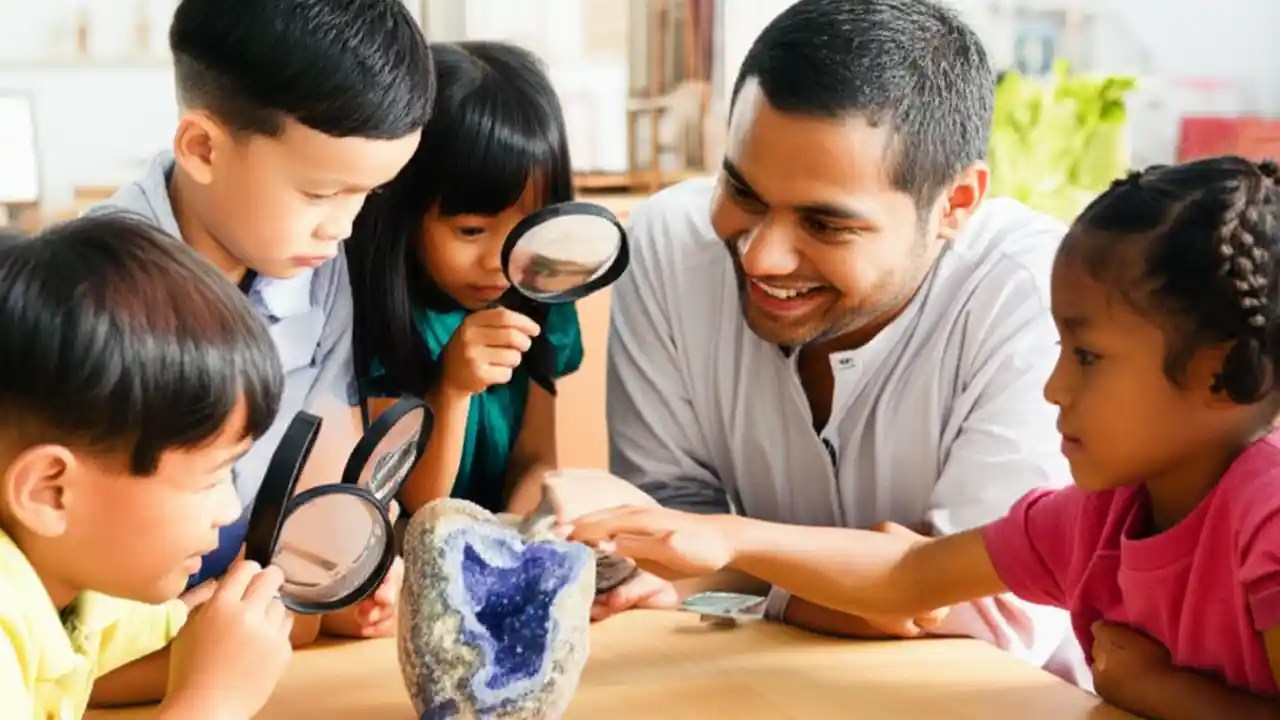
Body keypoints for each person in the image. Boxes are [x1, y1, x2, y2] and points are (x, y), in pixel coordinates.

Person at [575, 157, 1280, 717]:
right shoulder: (1092, 519)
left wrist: (1159, 691)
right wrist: (726, 538)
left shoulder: (1267, 518)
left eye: (1087, 358)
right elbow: (909, 576)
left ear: (1220, 373)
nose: (1054, 388)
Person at [601, 0, 1082, 680]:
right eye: (743, 191)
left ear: (955, 204)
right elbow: (656, 543)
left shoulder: (1039, 294)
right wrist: (871, 587)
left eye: (826, 225)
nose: (762, 256)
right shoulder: (667, 246)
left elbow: (990, 618)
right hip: (752, 686)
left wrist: (734, 563)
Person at [85, 0, 433, 703]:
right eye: (320, 192)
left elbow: (327, 486)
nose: (342, 227)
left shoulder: (311, 262)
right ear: (203, 148)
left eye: (366, 195)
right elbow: (56, 653)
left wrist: (339, 580)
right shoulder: (91, 299)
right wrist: (220, 656)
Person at [0, 215, 292, 719]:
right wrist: (212, 702)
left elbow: (171, 636)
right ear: (51, 492)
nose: (229, 509)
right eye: (210, 478)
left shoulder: (77, 588)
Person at [348, 41, 582, 517]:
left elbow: (536, 458)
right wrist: (453, 388)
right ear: (406, 214)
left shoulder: (539, 293)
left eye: (527, 230)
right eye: (471, 231)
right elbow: (416, 502)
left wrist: (522, 531)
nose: (500, 261)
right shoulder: (379, 309)